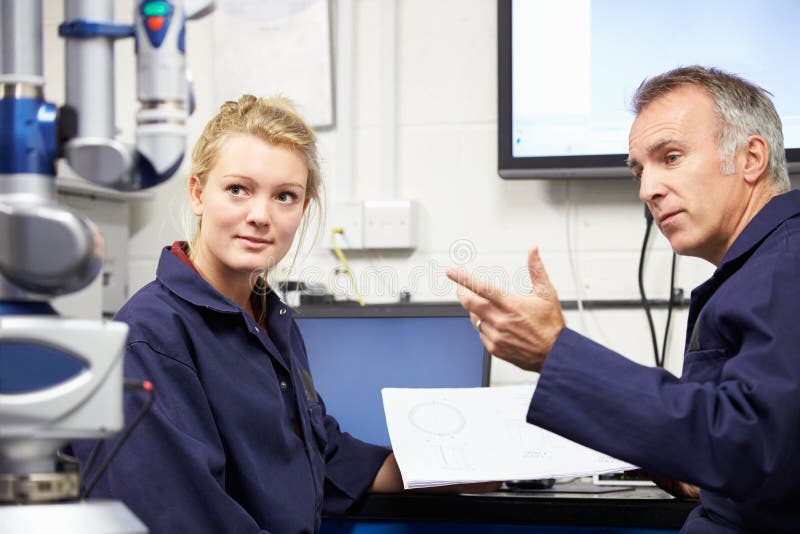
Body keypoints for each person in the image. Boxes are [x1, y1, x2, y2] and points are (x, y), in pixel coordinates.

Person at [69, 95, 469, 533]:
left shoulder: (269, 318)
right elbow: (182, 519)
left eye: (284, 196)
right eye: (237, 189)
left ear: (303, 208)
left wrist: (450, 473)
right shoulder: (149, 338)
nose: (260, 216)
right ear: (198, 193)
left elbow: (311, 453)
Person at [448, 66, 800, 533]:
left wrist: (556, 353)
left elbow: (752, 449)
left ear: (751, 158)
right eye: (639, 170)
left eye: (671, 157)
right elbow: (764, 462)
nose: (647, 189)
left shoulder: (787, 265)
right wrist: (674, 463)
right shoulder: (762, 266)